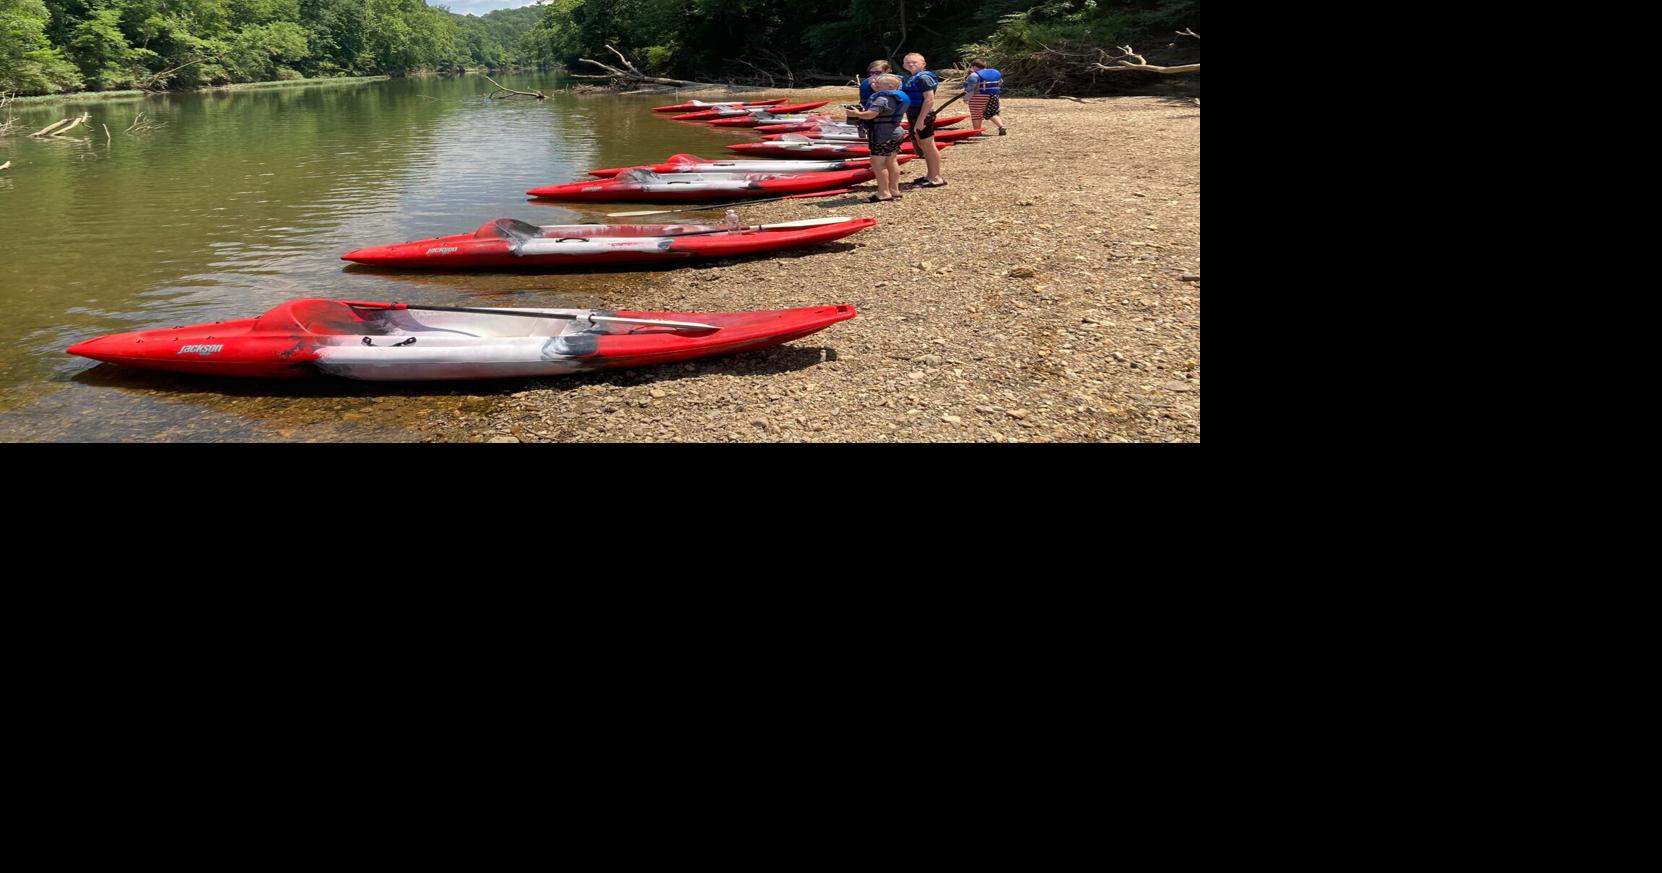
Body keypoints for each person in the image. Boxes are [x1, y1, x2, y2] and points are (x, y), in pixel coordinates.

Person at [845, 74, 908, 202]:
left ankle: (883, 193)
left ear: (890, 86)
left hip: (883, 134)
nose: (875, 85)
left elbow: (870, 115)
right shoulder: (898, 97)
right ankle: (894, 190)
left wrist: (856, 114)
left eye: (879, 84)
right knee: (891, 160)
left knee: (878, 163)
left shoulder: (882, 99)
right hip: (897, 132)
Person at [900, 52, 946, 188]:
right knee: (923, 144)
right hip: (914, 114)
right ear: (903, 65)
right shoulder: (912, 78)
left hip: (923, 115)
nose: (911, 64)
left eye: (914, 62)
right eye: (908, 62)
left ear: (923, 64)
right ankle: (930, 175)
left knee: (928, 144)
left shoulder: (924, 78)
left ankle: (936, 177)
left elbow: (929, 99)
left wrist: (920, 120)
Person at [964, 59, 1007, 135]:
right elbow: (1000, 82)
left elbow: (969, 89)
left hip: (979, 96)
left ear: (974, 66)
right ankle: (1001, 126)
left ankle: (977, 132)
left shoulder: (974, 75)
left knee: (976, 113)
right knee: (992, 113)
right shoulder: (995, 72)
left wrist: (966, 98)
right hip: (994, 95)